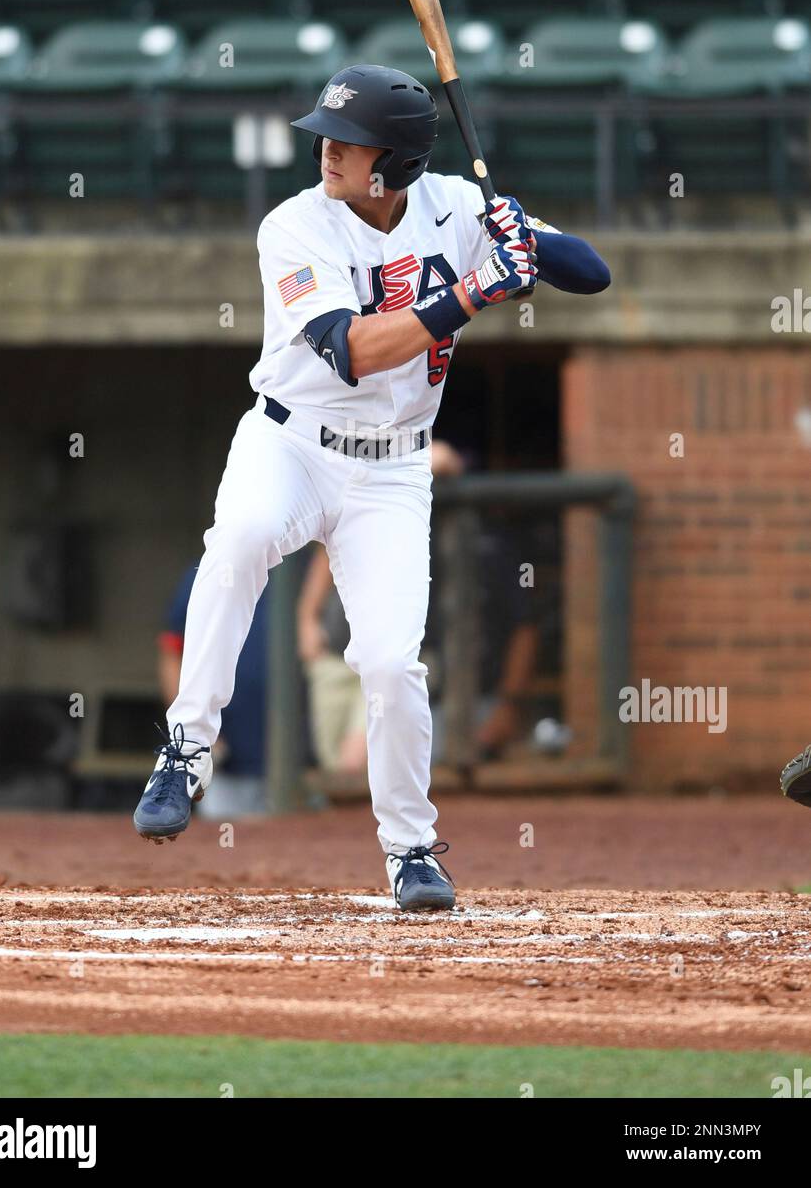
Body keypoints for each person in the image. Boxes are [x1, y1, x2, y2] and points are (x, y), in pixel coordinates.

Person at [133, 62, 610, 911]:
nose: (325, 150)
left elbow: (594, 274)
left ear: (391, 162)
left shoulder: (456, 206)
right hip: (291, 443)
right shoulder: (293, 226)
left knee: (390, 662)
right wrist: (471, 294)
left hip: (393, 467)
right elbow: (348, 349)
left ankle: (411, 849)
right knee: (240, 540)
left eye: (345, 142)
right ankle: (186, 748)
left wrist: (525, 240)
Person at [297, 439, 465, 775]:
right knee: (336, 767)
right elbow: (325, 556)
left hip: (391, 651)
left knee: (357, 760)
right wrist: (306, 618)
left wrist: (383, 470)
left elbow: (447, 459)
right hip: (336, 648)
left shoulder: (411, 456)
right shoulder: (352, 455)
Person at [158, 565, 267, 816]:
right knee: (224, 843)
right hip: (226, 759)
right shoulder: (206, 572)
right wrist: (194, 731)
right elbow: (172, 654)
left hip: (301, 764)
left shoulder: (308, 570)